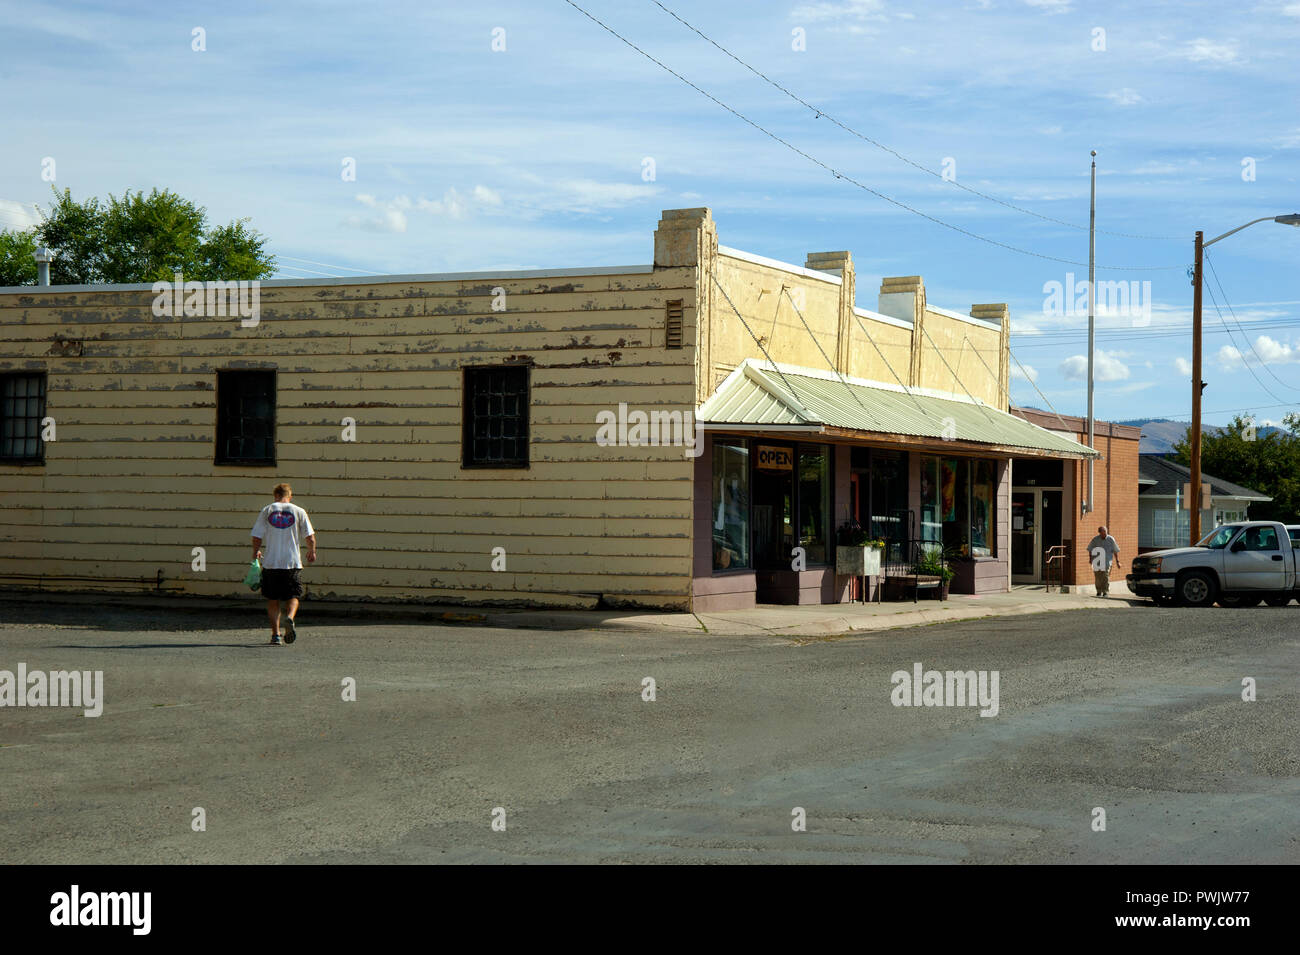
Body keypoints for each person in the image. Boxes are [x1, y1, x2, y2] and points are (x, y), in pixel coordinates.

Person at [251, 483, 317, 645]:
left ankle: (275, 636)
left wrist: (255, 552)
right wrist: (312, 551)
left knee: (273, 599)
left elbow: (257, 536)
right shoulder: (299, 511)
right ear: (290, 496)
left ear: (275, 496)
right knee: (293, 596)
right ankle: (290, 617)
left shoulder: (267, 510)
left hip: (271, 563)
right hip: (292, 562)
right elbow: (310, 536)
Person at [1087, 525, 1120, 597]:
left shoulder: (1111, 539)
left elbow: (1115, 550)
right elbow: (1090, 549)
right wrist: (1090, 559)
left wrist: (1117, 561)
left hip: (1107, 561)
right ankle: (1099, 591)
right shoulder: (1095, 540)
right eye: (1103, 532)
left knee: (1105, 576)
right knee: (1098, 577)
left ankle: (1105, 592)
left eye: (1105, 531)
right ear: (1099, 532)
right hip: (1097, 561)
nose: (1105, 533)